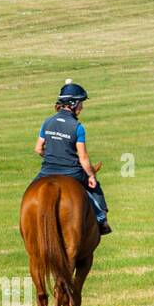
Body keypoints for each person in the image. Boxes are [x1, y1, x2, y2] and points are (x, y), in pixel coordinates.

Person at [34, 80, 110, 234]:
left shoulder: (47, 122)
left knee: (31, 192)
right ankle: (102, 221)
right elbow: (83, 159)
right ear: (74, 104)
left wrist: (51, 155)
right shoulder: (77, 127)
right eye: (81, 103)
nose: (82, 107)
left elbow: (38, 149)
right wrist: (91, 176)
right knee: (95, 189)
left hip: (47, 171)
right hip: (71, 172)